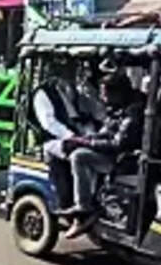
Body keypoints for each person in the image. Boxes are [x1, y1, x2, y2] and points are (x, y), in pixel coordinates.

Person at [59, 70, 147, 238]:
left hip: (126, 161)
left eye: (105, 92)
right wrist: (82, 139)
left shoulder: (133, 111)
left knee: (79, 156)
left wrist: (86, 143)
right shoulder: (117, 108)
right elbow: (105, 131)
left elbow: (117, 143)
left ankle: (83, 206)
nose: (102, 96)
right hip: (116, 155)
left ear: (117, 92)